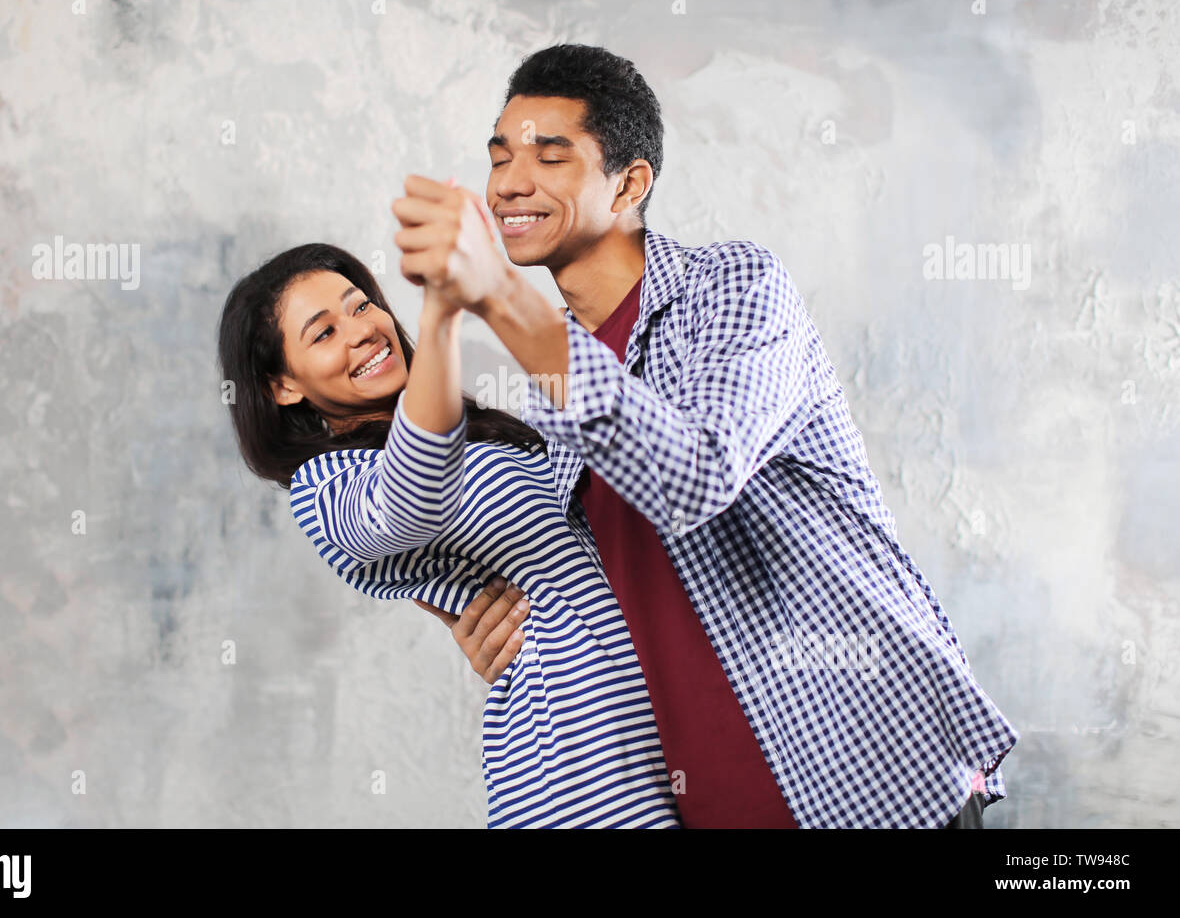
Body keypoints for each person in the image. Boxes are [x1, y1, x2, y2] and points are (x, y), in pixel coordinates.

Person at [393, 43, 1020, 828]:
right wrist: (478, 616)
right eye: (499, 156)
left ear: (629, 184)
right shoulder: (549, 387)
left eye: (549, 157)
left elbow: (695, 475)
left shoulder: (733, 288)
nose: (510, 182)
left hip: (866, 785)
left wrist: (499, 297)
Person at [216, 240, 680, 828]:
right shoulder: (326, 486)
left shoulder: (481, 428)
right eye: (323, 333)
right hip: (581, 763)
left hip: (665, 716)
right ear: (283, 386)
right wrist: (442, 314)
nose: (360, 331)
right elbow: (408, 500)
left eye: (360, 307)